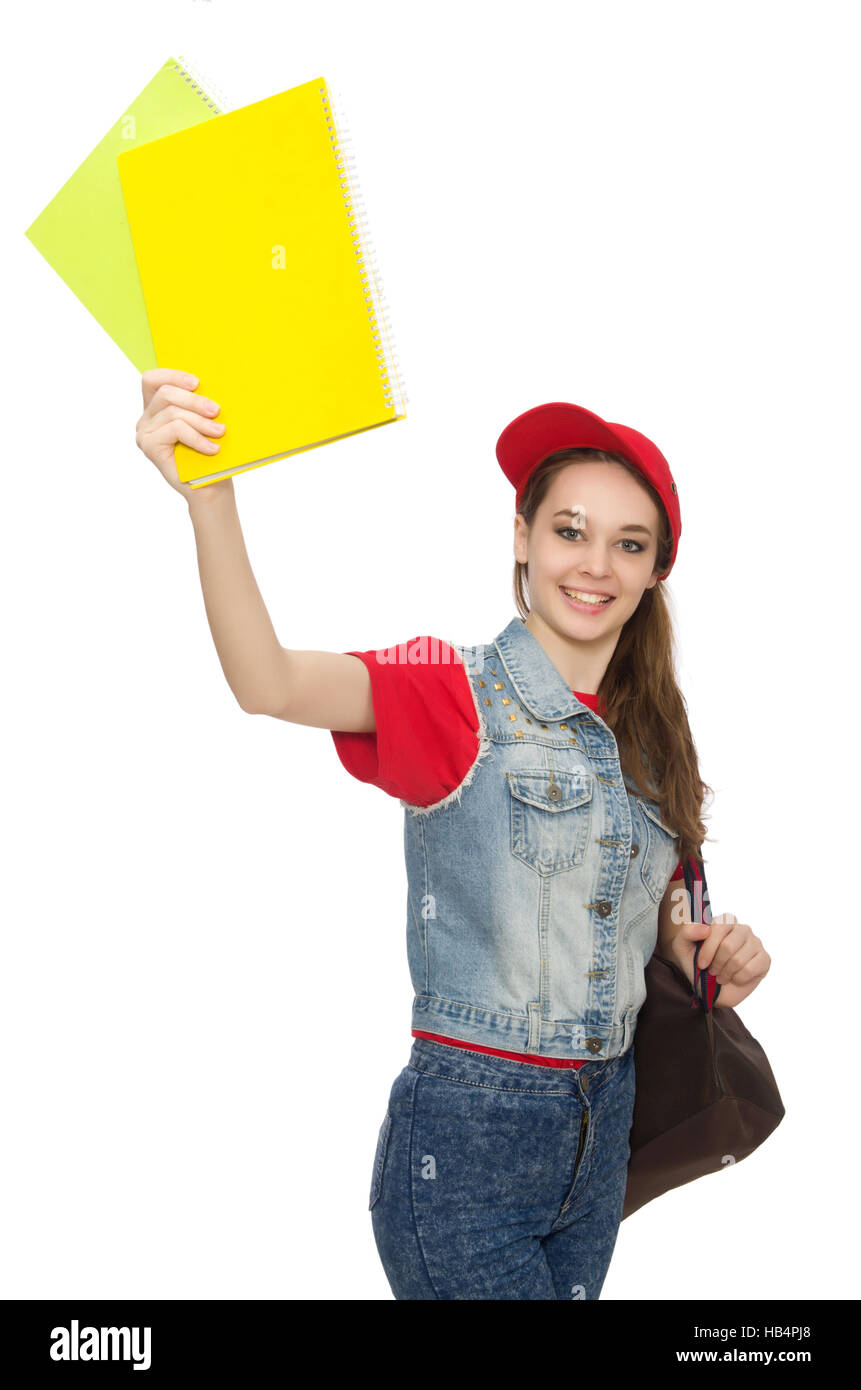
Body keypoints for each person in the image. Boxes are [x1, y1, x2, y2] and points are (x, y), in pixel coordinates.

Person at [135, 374, 771, 1300]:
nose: (594, 564)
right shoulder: (450, 693)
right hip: (466, 1154)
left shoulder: (649, 739)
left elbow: (641, 918)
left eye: (626, 544)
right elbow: (266, 681)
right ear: (521, 536)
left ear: (654, 569)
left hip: (600, 1145)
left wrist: (697, 949)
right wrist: (211, 501)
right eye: (568, 530)